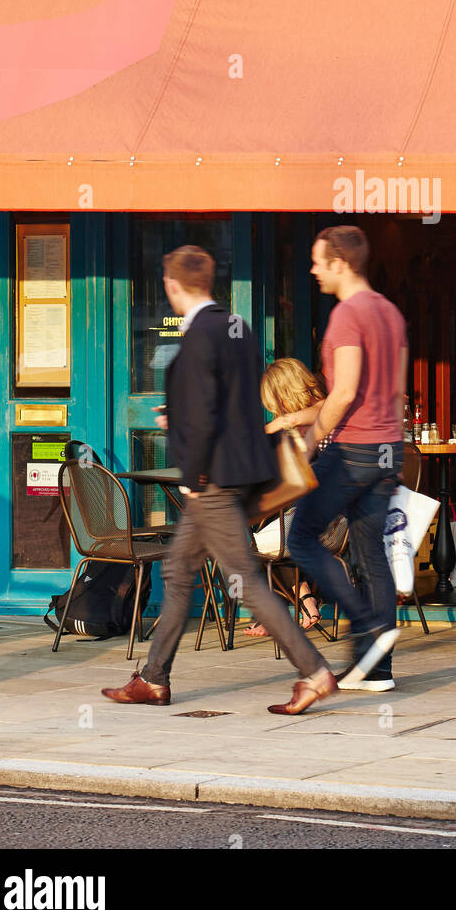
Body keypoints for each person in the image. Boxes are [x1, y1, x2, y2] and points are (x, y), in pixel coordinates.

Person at [102, 245, 338, 716]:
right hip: (237, 472)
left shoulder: (198, 337)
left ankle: (314, 672)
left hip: (212, 481)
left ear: (172, 285)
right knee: (177, 571)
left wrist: (194, 472)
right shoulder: (237, 328)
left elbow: (206, 415)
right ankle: (153, 678)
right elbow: (231, 407)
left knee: (245, 580)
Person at [288, 225, 406, 692]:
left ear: (340, 263)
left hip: (353, 450)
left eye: (319, 262)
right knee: (370, 553)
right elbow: (395, 391)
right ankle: (377, 670)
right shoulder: (390, 313)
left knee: (301, 538)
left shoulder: (348, 315)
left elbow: (344, 392)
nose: (313, 270)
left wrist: (309, 442)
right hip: (386, 449)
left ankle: (364, 624)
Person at [245, 358, 329, 637]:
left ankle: (289, 603)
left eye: (275, 401)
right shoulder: (290, 424)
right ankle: (299, 596)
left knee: (257, 539)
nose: (274, 409)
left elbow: (304, 417)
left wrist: (273, 428)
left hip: (332, 517)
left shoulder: (325, 410)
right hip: (301, 511)